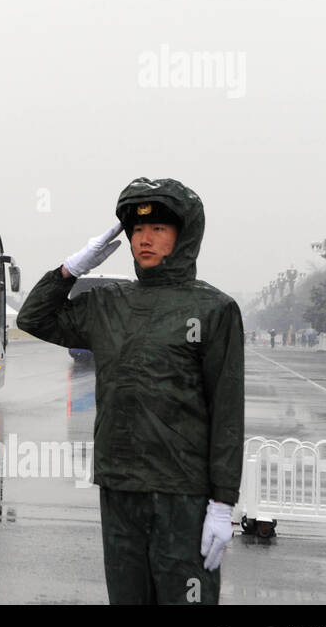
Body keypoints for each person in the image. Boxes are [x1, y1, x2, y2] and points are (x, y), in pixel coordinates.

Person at [17, 178, 244, 604]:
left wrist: (222, 503)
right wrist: (71, 269)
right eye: (137, 229)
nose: (145, 238)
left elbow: (227, 413)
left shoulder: (214, 310)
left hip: (183, 494)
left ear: (184, 235)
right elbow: (34, 319)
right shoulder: (108, 304)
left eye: (159, 228)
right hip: (120, 486)